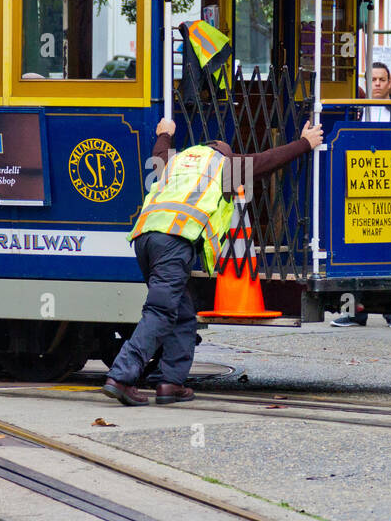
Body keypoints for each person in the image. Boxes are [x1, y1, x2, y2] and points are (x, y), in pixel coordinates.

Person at [103, 116, 324, 406]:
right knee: (160, 311)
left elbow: (158, 152)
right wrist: (304, 144)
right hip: (174, 241)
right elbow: (268, 160)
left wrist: (165, 133)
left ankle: (170, 383)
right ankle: (121, 376)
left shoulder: (177, 163)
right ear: (227, 154)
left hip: (145, 239)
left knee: (181, 312)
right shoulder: (224, 167)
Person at [334, 63, 391, 327]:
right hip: (358, 185)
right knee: (355, 252)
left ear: (390, 83)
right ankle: (354, 312)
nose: (377, 84)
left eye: (382, 79)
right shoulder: (355, 110)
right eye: (373, 79)